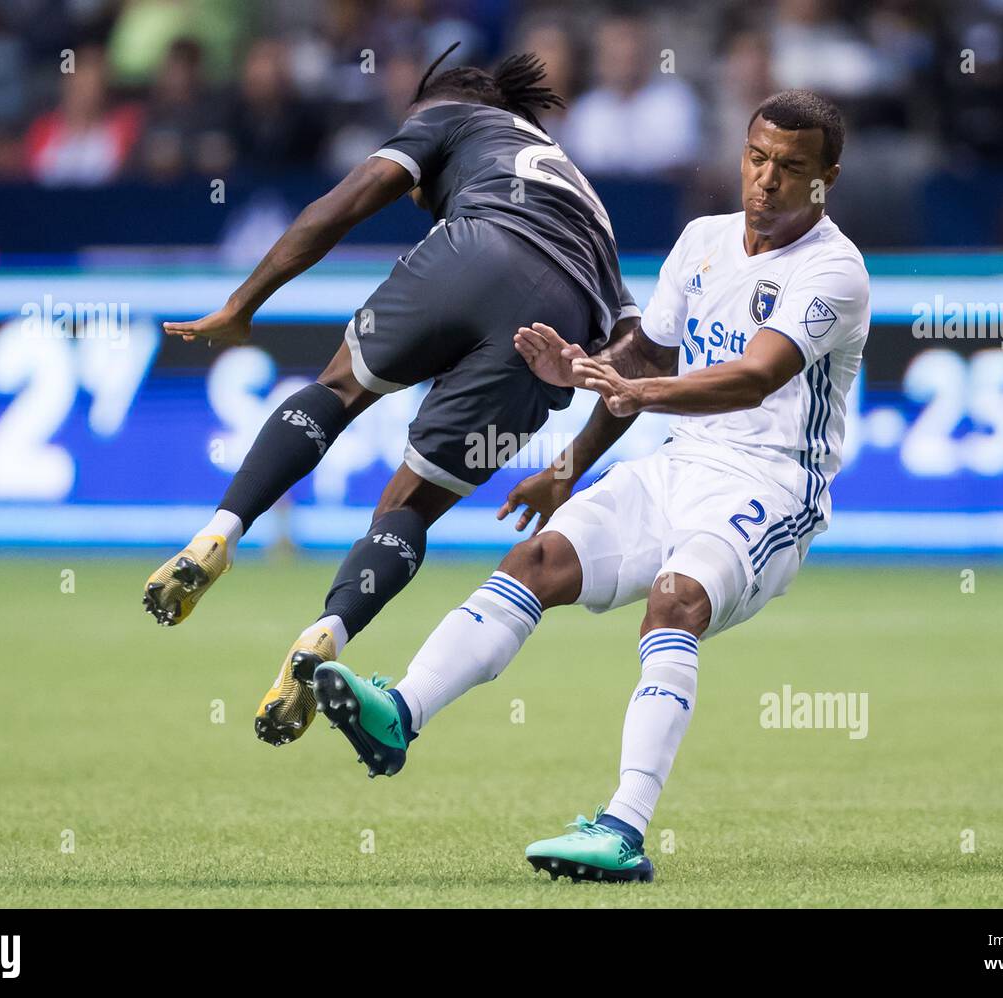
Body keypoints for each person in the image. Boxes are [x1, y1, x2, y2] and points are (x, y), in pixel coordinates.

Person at [311, 90, 869, 883]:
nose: (768, 180)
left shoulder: (835, 271)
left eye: (792, 168)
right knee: (535, 562)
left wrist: (636, 394)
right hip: (681, 463)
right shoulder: (702, 242)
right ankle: (400, 715)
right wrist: (568, 461)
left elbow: (753, 377)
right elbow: (643, 361)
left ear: (827, 179)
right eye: (757, 158)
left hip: (773, 487)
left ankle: (622, 830)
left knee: (674, 599)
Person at [143, 46, 639, 754]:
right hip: (556, 327)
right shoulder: (595, 216)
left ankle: (219, 531)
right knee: (404, 510)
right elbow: (641, 366)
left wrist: (241, 301)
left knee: (339, 389)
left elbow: (341, 204)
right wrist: (567, 447)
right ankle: (329, 632)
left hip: (472, 249)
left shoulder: (453, 115)